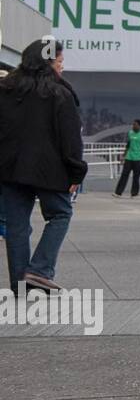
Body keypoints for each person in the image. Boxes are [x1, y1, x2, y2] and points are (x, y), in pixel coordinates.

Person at [0, 39, 87, 292]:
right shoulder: (60, 93)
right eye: (60, 62)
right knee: (60, 214)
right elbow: (70, 138)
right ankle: (39, 270)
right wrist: (76, 171)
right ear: (48, 62)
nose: (62, 68)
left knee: (17, 226)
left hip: (9, 170)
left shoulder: (5, 89)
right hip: (49, 169)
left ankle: (20, 284)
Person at [114, 120, 140, 197]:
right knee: (124, 175)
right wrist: (124, 155)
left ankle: (134, 193)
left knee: (136, 176)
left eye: (135, 125)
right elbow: (128, 145)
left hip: (138, 158)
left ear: (139, 126)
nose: (133, 126)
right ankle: (118, 192)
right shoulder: (130, 133)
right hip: (129, 157)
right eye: (133, 125)